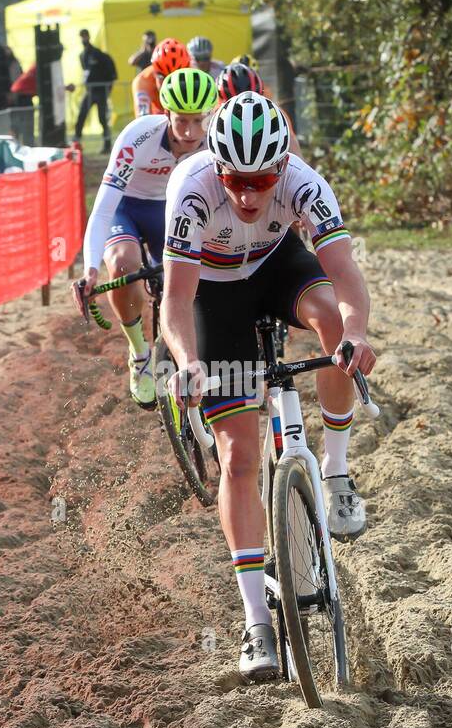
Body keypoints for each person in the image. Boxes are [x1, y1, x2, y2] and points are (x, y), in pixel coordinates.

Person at [158, 92, 375, 680]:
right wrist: (187, 362)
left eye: (261, 181)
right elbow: (175, 301)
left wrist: (355, 333)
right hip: (214, 292)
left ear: (281, 168)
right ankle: (257, 622)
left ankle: (335, 472)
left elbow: (348, 278)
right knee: (239, 456)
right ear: (217, 165)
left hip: (278, 266)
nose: (249, 196)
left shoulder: (305, 183)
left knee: (330, 321)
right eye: (236, 181)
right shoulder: (192, 188)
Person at [74, 68, 218, 409]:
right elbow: (104, 207)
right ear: (165, 113)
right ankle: (140, 353)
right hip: (129, 209)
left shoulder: (215, 140)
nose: (190, 132)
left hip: (174, 212)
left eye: (199, 121)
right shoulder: (138, 136)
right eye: (181, 121)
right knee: (124, 263)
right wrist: (90, 269)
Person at [75, 29, 118, 153]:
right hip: (89, 91)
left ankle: (107, 145)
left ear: (88, 36)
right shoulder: (82, 56)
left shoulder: (99, 54)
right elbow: (86, 73)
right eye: (81, 36)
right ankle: (76, 144)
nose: (84, 39)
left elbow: (111, 72)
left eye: (85, 36)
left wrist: (108, 89)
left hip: (100, 92)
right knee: (81, 116)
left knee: (102, 119)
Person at [131, 38, 191, 118]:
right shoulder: (143, 81)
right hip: (155, 119)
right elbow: (142, 120)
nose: (170, 83)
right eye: (163, 77)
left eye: (177, 77)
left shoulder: (193, 76)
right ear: (154, 73)